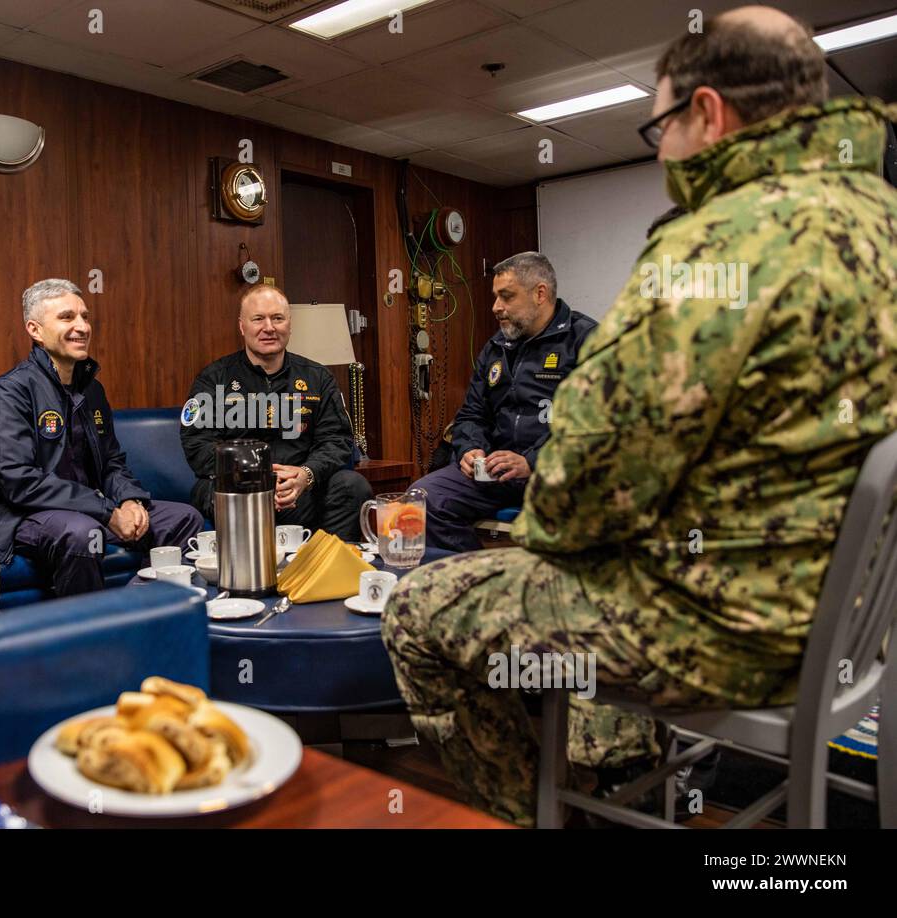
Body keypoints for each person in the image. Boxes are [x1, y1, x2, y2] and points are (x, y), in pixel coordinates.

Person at [382, 6, 897, 826]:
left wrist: (549, 518)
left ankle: (548, 812)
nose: (663, 154)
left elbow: (579, 491)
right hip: (852, 623)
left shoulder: (715, 245)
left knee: (419, 610)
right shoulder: (881, 220)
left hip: (726, 633)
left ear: (707, 114)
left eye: (661, 127)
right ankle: (604, 760)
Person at [0, 279, 203, 596]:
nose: (82, 326)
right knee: (82, 533)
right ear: (35, 330)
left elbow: (111, 461)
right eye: (67, 317)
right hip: (23, 516)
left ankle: (147, 618)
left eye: (85, 316)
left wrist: (129, 499)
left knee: (182, 518)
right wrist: (107, 512)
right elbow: (19, 481)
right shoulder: (8, 392)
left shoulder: (92, 390)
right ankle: (95, 638)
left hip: (90, 509)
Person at [410, 252, 597, 552]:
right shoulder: (497, 346)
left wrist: (531, 463)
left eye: (506, 297)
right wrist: (470, 449)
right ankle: (479, 580)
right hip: (496, 473)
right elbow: (471, 413)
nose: (496, 307)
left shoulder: (586, 341)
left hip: (560, 475)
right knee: (423, 498)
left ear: (540, 293)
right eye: (496, 297)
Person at [180, 285, 372, 541]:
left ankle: (324, 567)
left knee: (352, 485)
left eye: (277, 318)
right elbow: (197, 444)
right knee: (208, 490)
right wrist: (253, 477)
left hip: (300, 491)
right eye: (258, 318)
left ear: (289, 325)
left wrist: (306, 475)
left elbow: (337, 441)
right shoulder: (213, 379)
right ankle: (248, 574)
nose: (269, 327)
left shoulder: (318, 378)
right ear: (242, 326)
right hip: (236, 489)